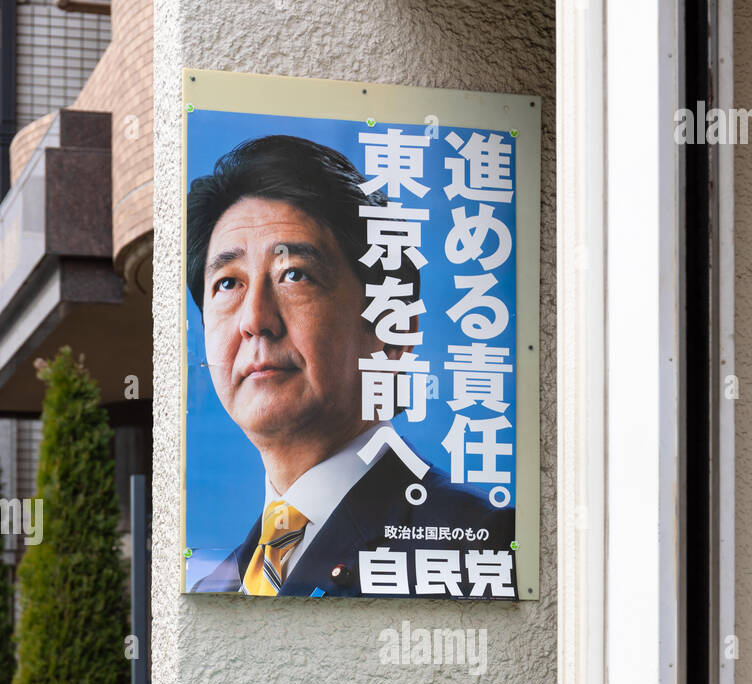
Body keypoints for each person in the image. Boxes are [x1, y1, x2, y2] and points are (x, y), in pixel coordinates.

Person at [185, 134, 514, 597]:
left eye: (293, 275)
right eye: (227, 283)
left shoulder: (479, 546)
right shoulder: (217, 589)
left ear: (392, 330)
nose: (255, 320)